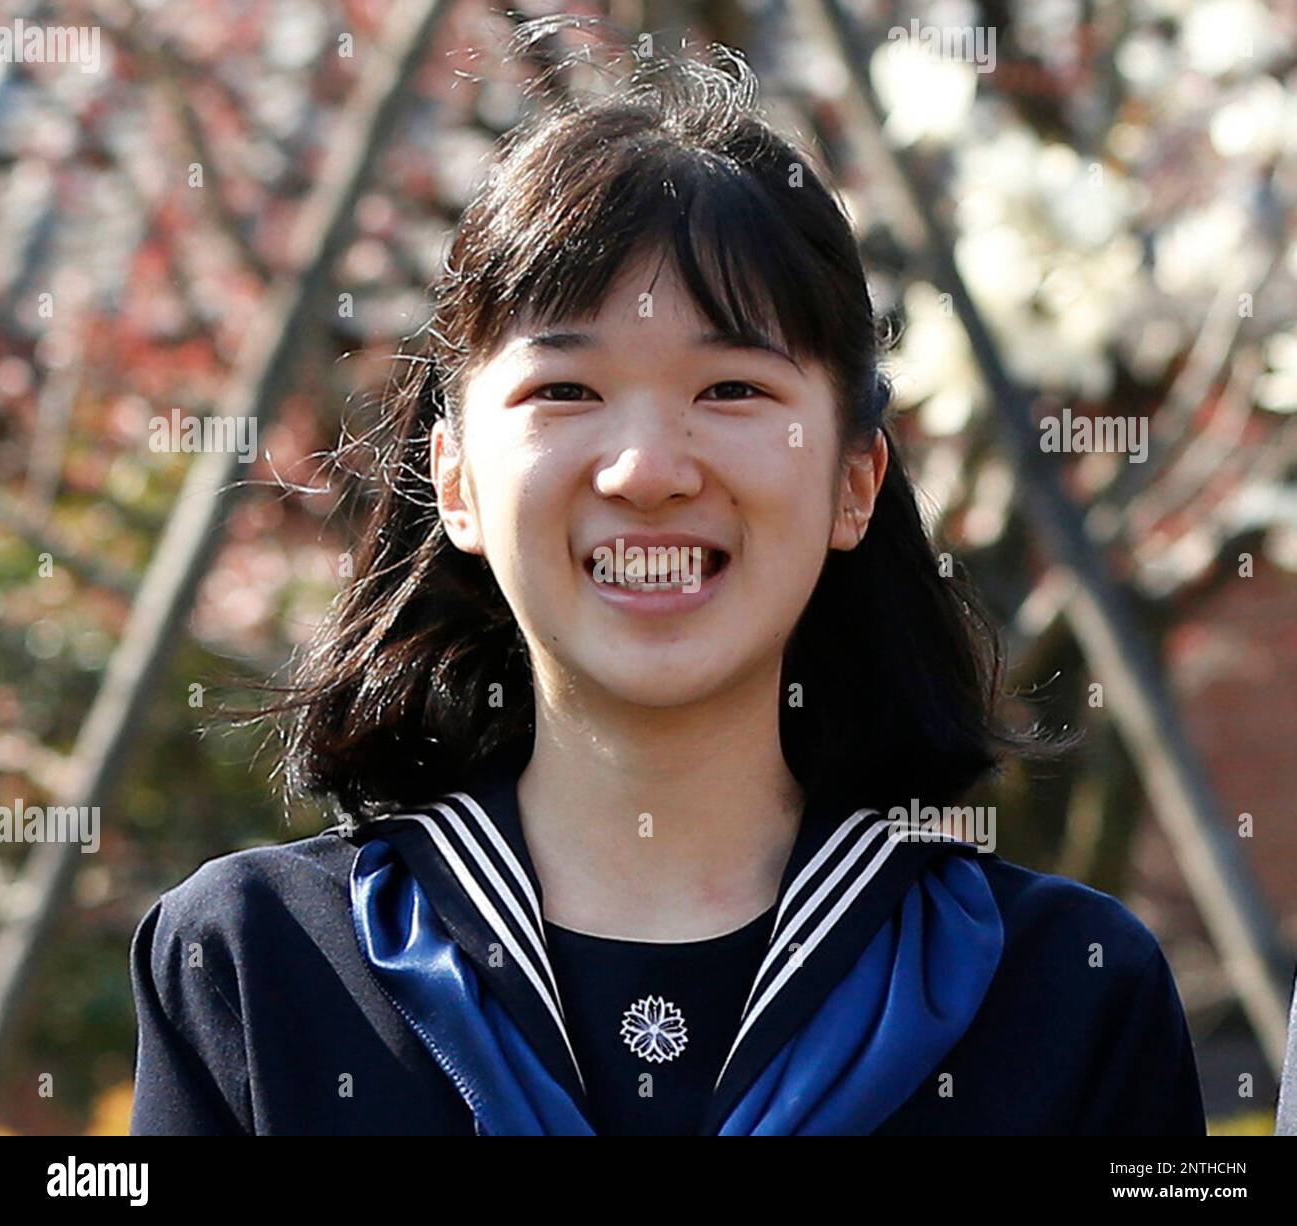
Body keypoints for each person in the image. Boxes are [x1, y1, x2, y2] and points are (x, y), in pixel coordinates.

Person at [129, 23, 1207, 1136]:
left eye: (732, 388)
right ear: (454, 478)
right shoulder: (260, 964)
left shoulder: (1065, 991)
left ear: (855, 479)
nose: (646, 470)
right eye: (567, 390)